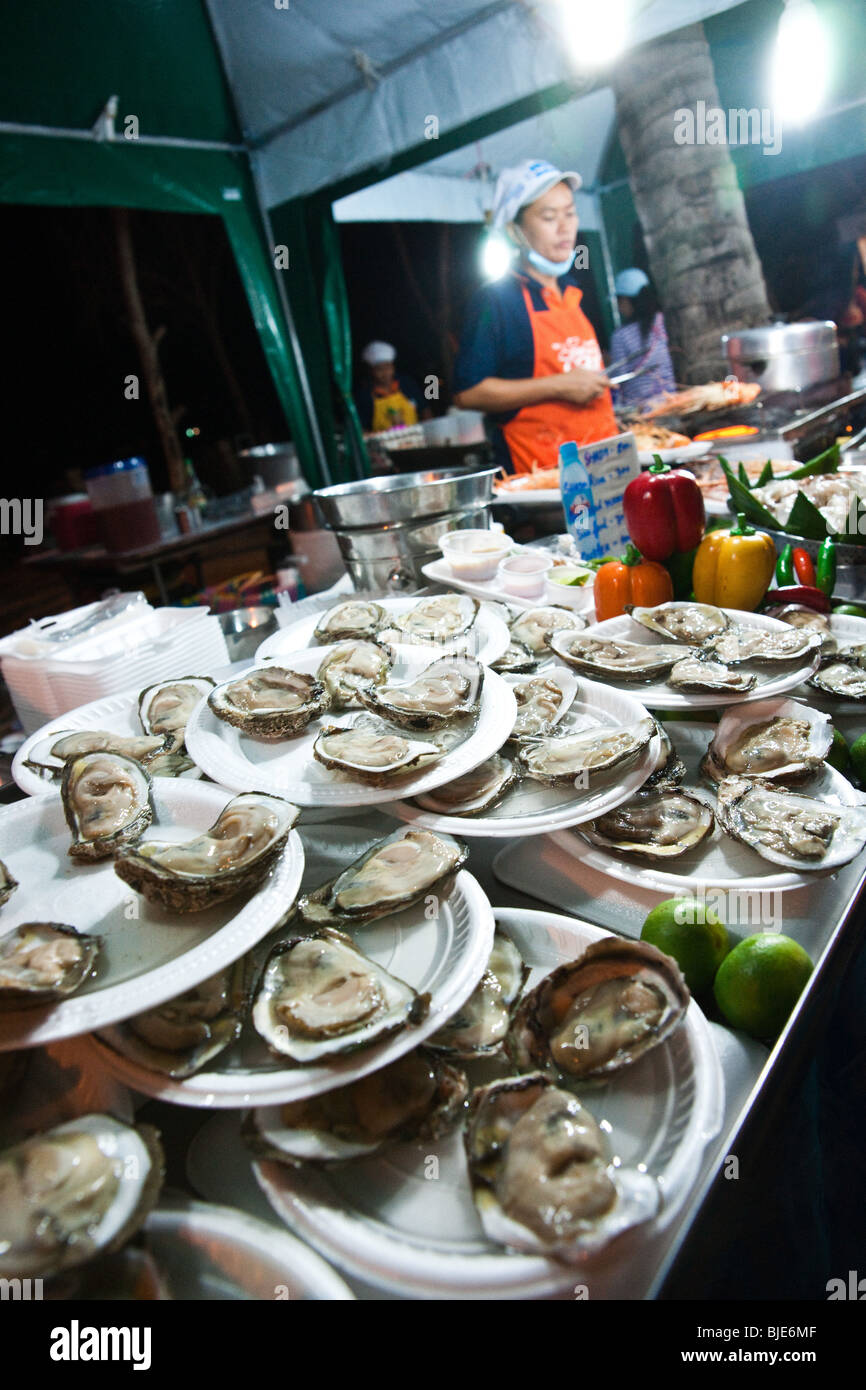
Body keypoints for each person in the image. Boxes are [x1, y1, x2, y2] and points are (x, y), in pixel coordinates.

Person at [452, 160, 615, 475]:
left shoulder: (572, 293)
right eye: (549, 217)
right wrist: (558, 386)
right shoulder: (497, 300)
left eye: (570, 213)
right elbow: (467, 393)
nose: (565, 227)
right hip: (544, 486)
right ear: (516, 230)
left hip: (607, 471)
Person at [608, 268, 677, 408]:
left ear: (627, 300)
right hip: (671, 403)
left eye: (619, 301)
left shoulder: (620, 336)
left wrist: (609, 364)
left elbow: (618, 378)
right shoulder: (662, 322)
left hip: (641, 412)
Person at [355, 341, 424, 433]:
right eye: (379, 369)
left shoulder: (407, 384)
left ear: (393, 367)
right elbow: (362, 429)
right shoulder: (365, 396)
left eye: (388, 367)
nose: (385, 373)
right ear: (370, 371)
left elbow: (425, 411)